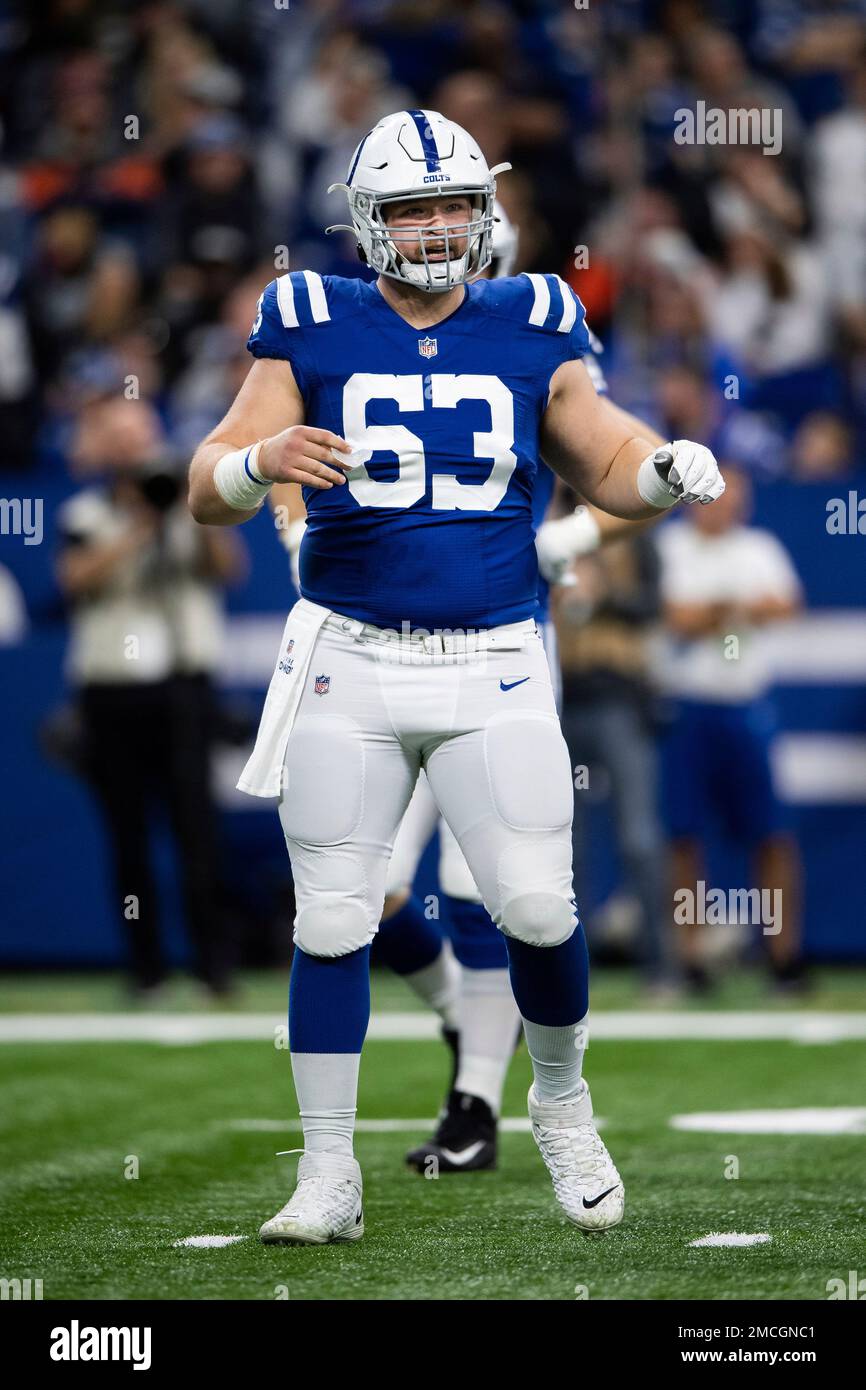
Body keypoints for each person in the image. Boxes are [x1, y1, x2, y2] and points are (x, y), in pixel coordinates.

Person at [188, 110, 724, 1245]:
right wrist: (255, 463)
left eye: (452, 207)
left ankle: (561, 1103)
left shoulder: (533, 314)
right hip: (350, 654)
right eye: (411, 210)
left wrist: (664, 471)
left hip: (492, 656)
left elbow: (607, 454)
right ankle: (327, 1172)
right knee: (333, 918)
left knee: (535, 902)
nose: (436, 229)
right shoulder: (307, 317)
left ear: (484, 211)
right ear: (368, 222)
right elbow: (202, 481)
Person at [57, 398, 243, 1000]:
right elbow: (76, 581)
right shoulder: (87, 511)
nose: (134, 450)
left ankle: (215, 968)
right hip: (112, 688)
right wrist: (138, 523)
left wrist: (180, 513)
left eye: (141, 437)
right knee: (128, 835)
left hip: (183, 684)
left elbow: (227, 569)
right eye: (121, 440)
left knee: (198, 832)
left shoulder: (187, 504)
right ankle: (148, 970)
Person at [654, 464, 805, 991]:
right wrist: (733, 609)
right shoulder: (671, 546)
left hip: (744, 705)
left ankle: (784, 957)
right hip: (688, 707)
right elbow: (677, 617)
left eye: (732, 498)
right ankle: (689, 958)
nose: (725, 507)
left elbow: (787, 604)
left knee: (770, 834)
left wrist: (718, 611)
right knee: (683, 836)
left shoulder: (758, 547)